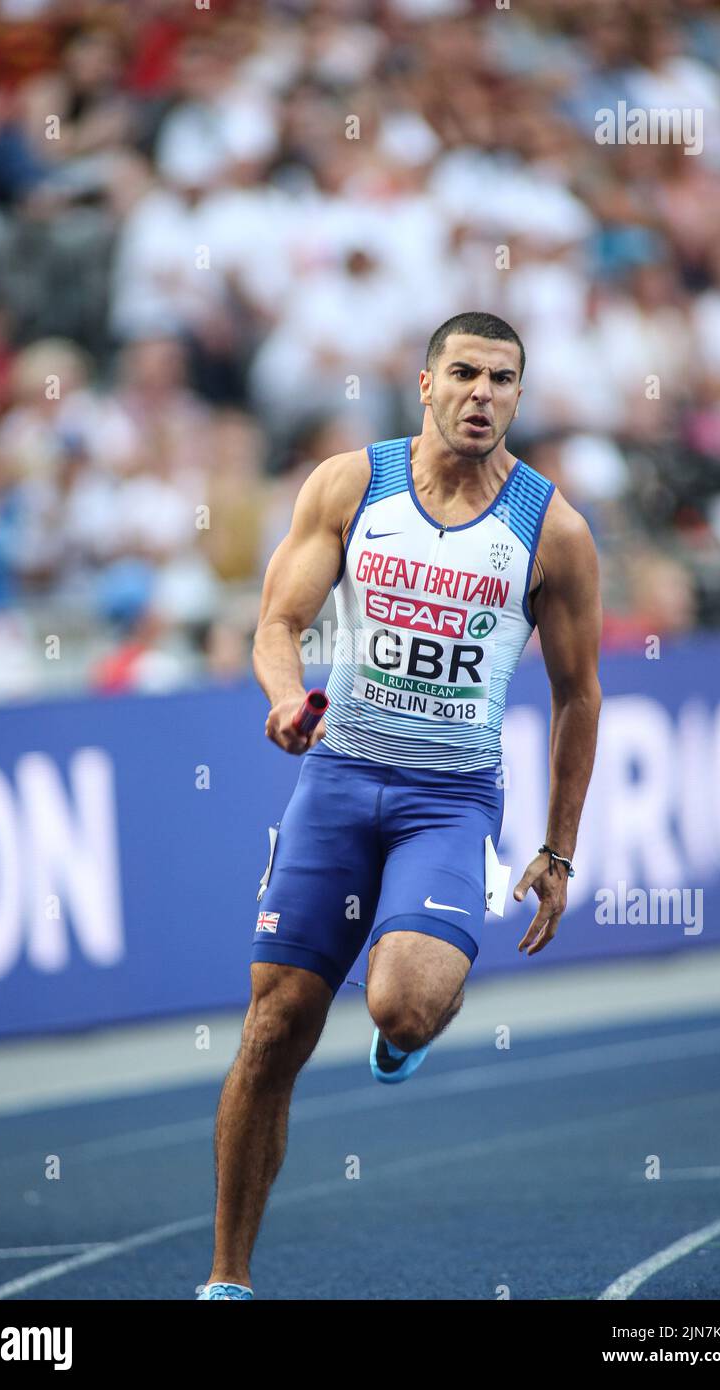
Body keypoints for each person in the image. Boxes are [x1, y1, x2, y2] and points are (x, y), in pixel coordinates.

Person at [197, 311, 602, 1300]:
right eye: (463, 373)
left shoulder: (549, 529)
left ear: (517, 394)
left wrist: (556, 847)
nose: (482, 395)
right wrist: (285, 696)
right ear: (422, 384)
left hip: (446, 801)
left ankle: (400, 1034)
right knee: (272, 1025)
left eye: (502, 380)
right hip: (336, 785)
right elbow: (277, 623)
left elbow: (576, 694)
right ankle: (226, 1280)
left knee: (405, 1008)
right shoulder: (349, 485)